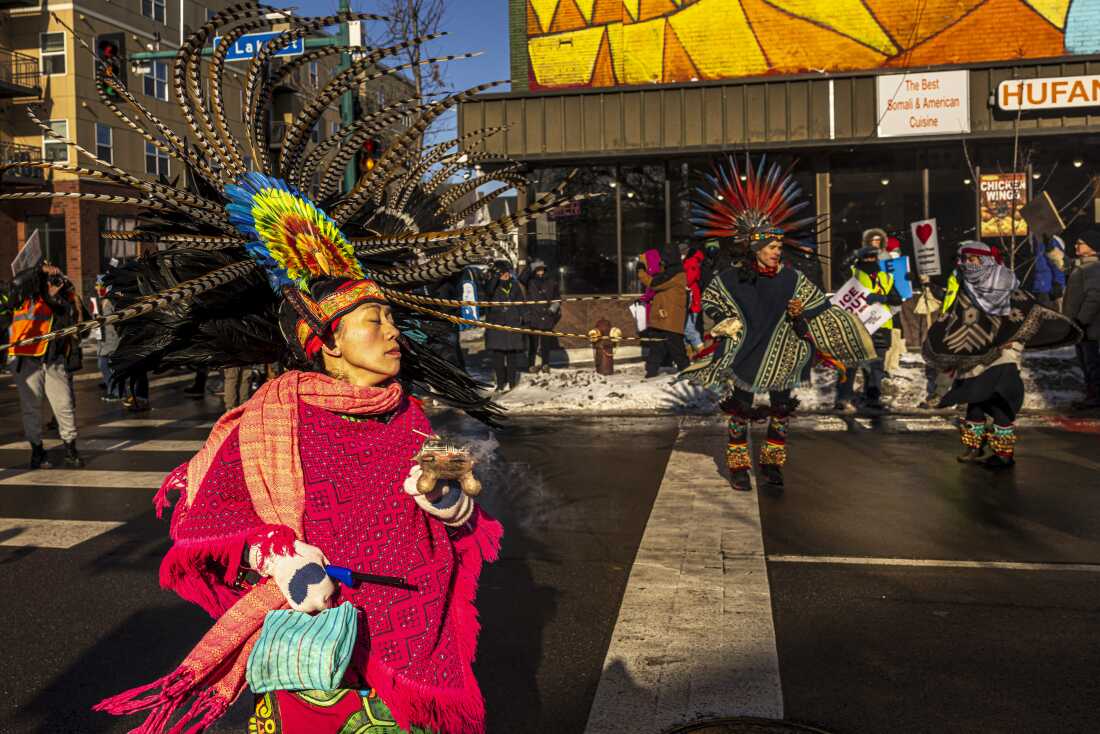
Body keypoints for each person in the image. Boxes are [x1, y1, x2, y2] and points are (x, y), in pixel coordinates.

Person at [686, 155, 875, 490]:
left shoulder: (791, 278)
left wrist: (802, 313)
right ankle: (739, 467)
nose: (777, 251)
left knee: (781, 410)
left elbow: (820, 306)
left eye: (779, 246)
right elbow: (712, 300)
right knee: (739, 412)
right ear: (756, 248)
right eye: (772, 246)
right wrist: (724, 322)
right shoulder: (733, 278)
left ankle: (772, 465)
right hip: (746, 354)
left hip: (785, 354)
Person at [924, 241, 1080, 468]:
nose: (968, 264)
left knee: (1000, 402)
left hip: (1003, 356)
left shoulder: (1005, 283)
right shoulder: (965, 286)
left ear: (985, 260)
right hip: (973, 355)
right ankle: (973, 448)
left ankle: (1003, 453)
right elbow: (956, 318)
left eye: (973, 259)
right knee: (974, 403)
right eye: (965, 260)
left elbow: (1027, 312)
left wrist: (1014, 341)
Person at [7, 263, 85, 469]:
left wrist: (54, 292)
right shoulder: (21, 296)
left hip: (53, 359)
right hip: (25, 358)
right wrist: (40, 271)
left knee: (64, 405)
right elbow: (15, 284)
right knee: (31, 408)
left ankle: (71, 448)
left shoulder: (60, 298)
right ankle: (37, 450)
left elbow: (67, 315)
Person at [834, 244, 903, 412]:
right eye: (866, 258)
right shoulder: (853, 273)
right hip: (857, 325)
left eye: (873, 258)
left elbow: (897, 299)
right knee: (850, 364)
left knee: (875, 366)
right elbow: (840, 267)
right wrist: (854, 253)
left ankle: (872, 398)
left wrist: (883, 297)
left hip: (880, 326)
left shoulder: (885, 277)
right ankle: (843, 399)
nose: (870, 261)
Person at [637, 249, 690, 378]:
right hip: (663, 318)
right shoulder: (670, 271)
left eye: (664, 258)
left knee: (677, 350)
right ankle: (651, 372)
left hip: (670, 319)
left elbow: (654, 283)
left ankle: (689, 373)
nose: (662, 261)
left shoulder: (676, 274)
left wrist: (641, 270)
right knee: (656, 347)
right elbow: (658, 274)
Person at [1063, 230, 1100, 409]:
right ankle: (1091, 395)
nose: (1076, 246)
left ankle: (1095, 396)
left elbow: (1095, 296)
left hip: (1089, 327)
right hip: (1080, 326)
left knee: (1091, 361)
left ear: (1092, 248)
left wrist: (1082, 321)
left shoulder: (1093, 268)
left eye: (1081, 243)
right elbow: (1059, 265)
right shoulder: (1081, 265)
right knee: (1085, 361)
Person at [484, 259, 527, 392]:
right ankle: (501, 383)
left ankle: (512, 382)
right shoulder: (491, 285)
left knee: (512, 356)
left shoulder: (514, 285)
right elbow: (488, 292)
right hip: (497, 325)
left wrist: (525, 317)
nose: (506, 275)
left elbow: (521, 302)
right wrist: (495, 277)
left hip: (512, 323)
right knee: (498, 357)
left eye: (507, 272)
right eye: (503, 272)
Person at [521, 259, 561, 372]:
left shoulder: (552, 281)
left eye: (542, 269)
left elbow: (557, 297)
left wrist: (553, 309)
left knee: (546, 344)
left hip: (547, 316)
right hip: (533, 316)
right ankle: (531, 365)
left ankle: (546, 364)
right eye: (537, 269)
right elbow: (521, 277)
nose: (540, 271)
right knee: (533, 344)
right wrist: (530, 265)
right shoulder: (530, 281)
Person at [95, 276, 122, 402]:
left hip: (112, 338)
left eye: (100, 285)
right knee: (103, 365)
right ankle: (113, 390)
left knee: (109, 366)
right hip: (102, 339)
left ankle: (116, 392)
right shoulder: (98, 301)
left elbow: (119, 318)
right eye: (97, 285)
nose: (97, 288)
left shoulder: (112, 301)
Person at [1028, 232, 1067, 308]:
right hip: (1038, 286)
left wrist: (1059, 284)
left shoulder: (1049, 240)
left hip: (1047, 288)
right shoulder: (1034, 237)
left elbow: (1058, 263)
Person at [682, 248, 706, 357]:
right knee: (685, 328)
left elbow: (688, 280)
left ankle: (702, 352)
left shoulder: (692, 262)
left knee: (688, 328)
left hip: (691, 299)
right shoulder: (693, 261)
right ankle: (690, 355)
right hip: (690, 298)